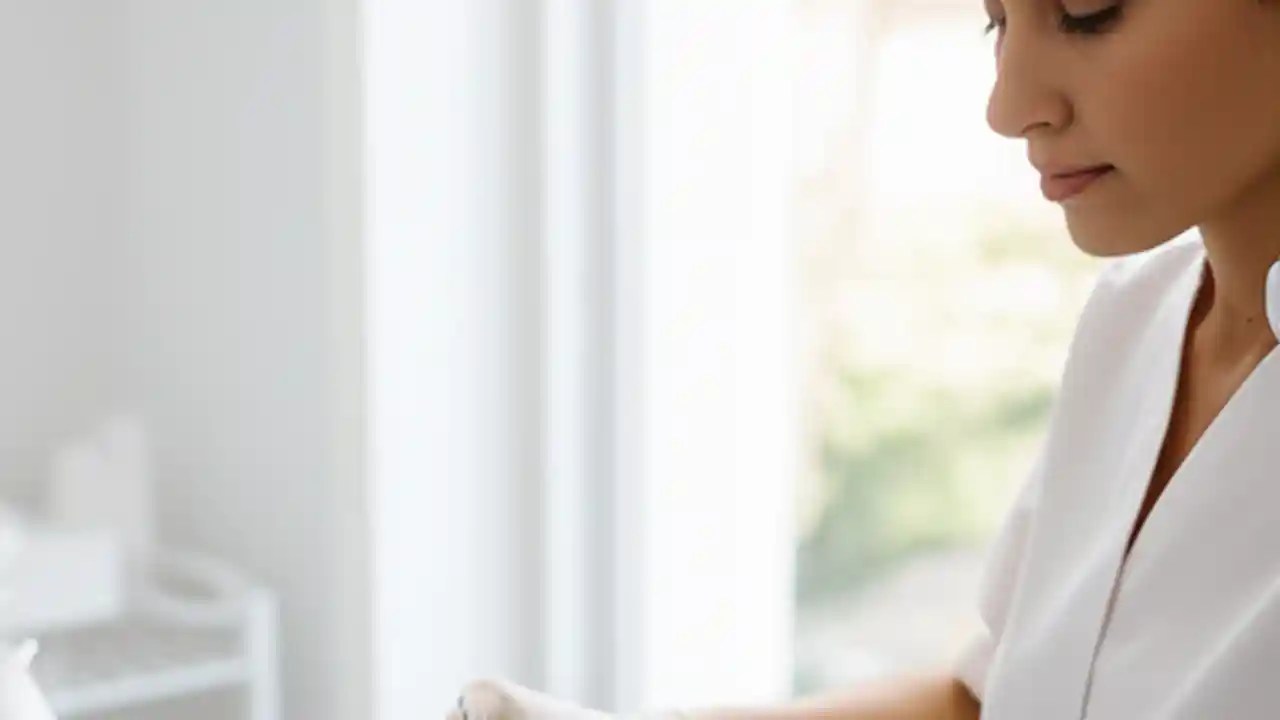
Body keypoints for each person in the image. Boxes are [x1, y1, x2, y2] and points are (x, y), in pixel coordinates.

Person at [451, 0, 1280, 716]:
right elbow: (993, 700)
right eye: (996, 21)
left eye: (1087, 11)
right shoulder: (1137, 322)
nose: (1008, 102)